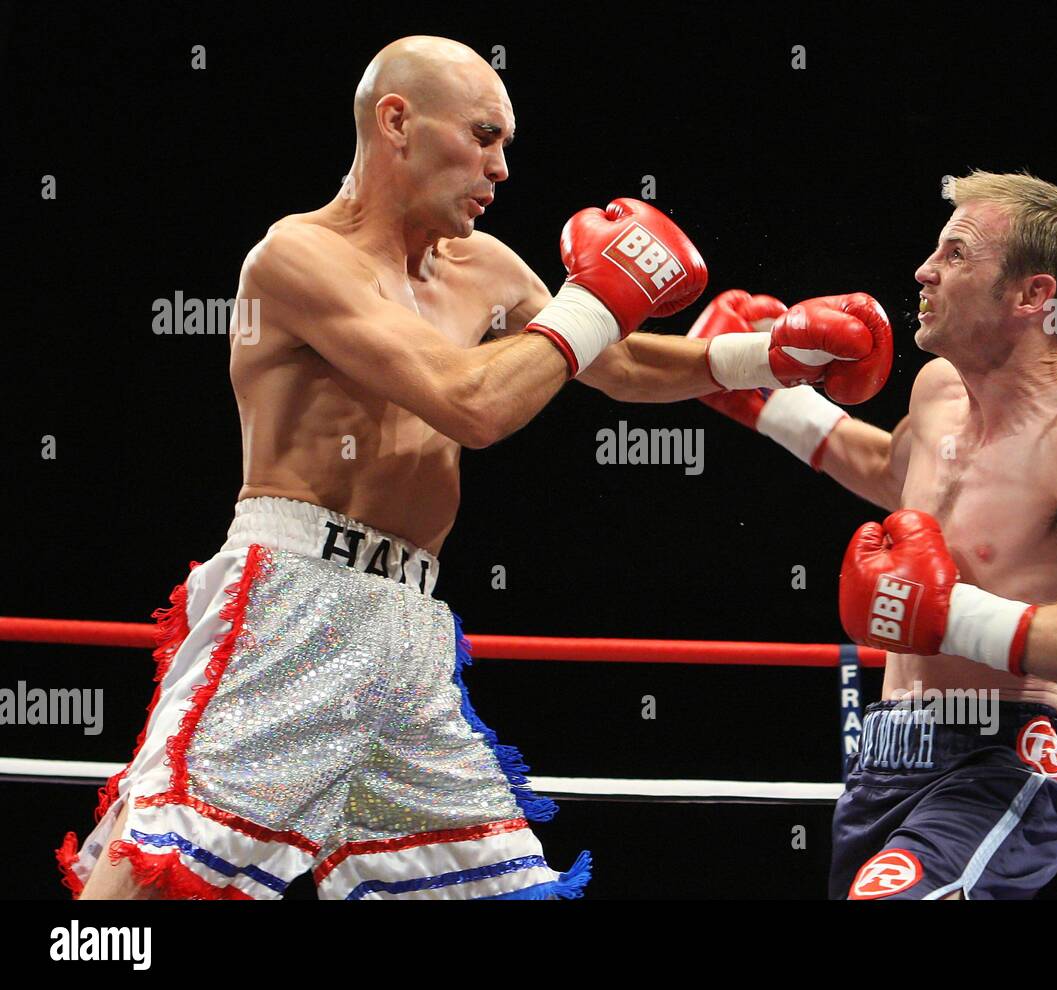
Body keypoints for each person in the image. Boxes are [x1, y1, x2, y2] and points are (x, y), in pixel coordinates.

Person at [56, 36, 891, 900]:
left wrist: (771, 355)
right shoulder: (297, 259)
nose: (500, 167)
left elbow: (617, 363)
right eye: (484, 136)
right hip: (294, 597)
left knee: (493, 892)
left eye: (507, 146)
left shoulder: (482, 267)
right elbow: (473, 404)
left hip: (410, 627)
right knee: (161, 880)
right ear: (397, 123)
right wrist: (595, 299)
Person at [693, 171, 1057, 900]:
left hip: (996, 757)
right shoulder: (939, 390)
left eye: (956, 253)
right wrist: (770, 407)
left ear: (1032, 295)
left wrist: (950, 616)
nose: (925, 269)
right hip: (879, 751)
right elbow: (893, 471)